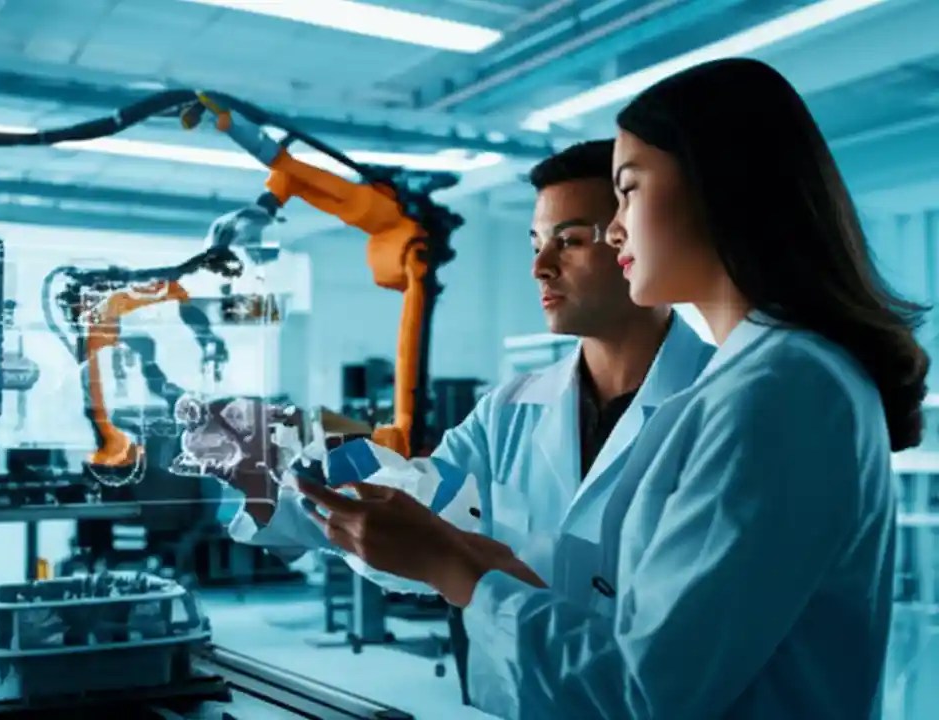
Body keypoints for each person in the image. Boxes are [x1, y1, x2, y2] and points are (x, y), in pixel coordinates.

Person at [299, 57, 929, 719]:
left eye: (627, 191)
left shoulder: (781, 388)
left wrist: (459, 570)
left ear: (718, 185)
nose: (618, 227)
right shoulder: (767, 376)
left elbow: (645, 690)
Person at [219, 140, 714, 701]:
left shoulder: (725, 404)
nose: (539, 267)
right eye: (535, 243)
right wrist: (268, 484)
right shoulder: (507, 411)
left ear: (635, 238)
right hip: (526, 702)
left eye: (570, 241)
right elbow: (414, 519)